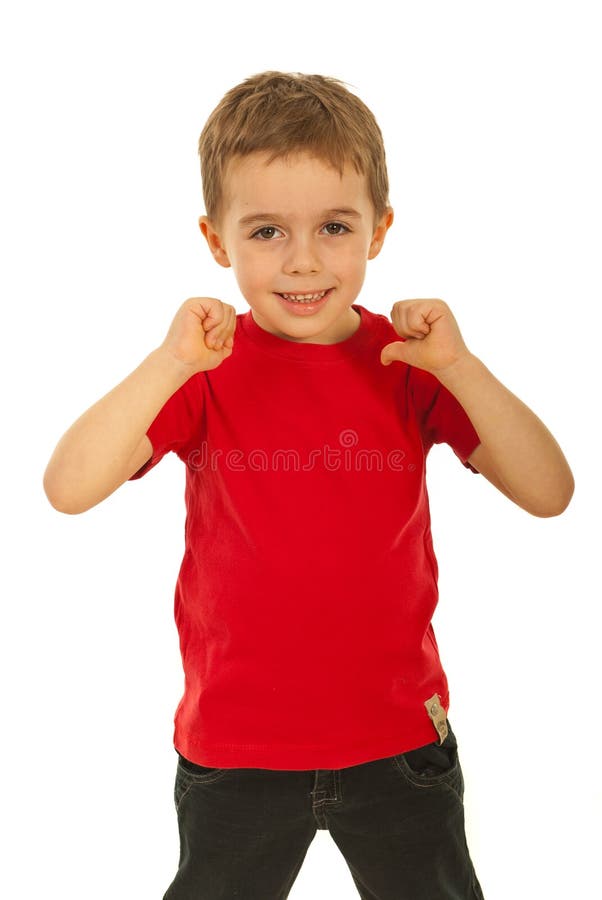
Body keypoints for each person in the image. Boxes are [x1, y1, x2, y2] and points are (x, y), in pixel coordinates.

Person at [43, 71, 574, 900]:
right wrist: (167, 362)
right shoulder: (204, 370)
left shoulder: (411, 365)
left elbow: (550, 492)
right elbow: (69, 488)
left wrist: (463, 369)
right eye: (264, 231)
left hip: (399, 745)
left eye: (334, 226)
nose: (302, 260)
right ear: (216, 240)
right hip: (235, 749)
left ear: (379, 230)